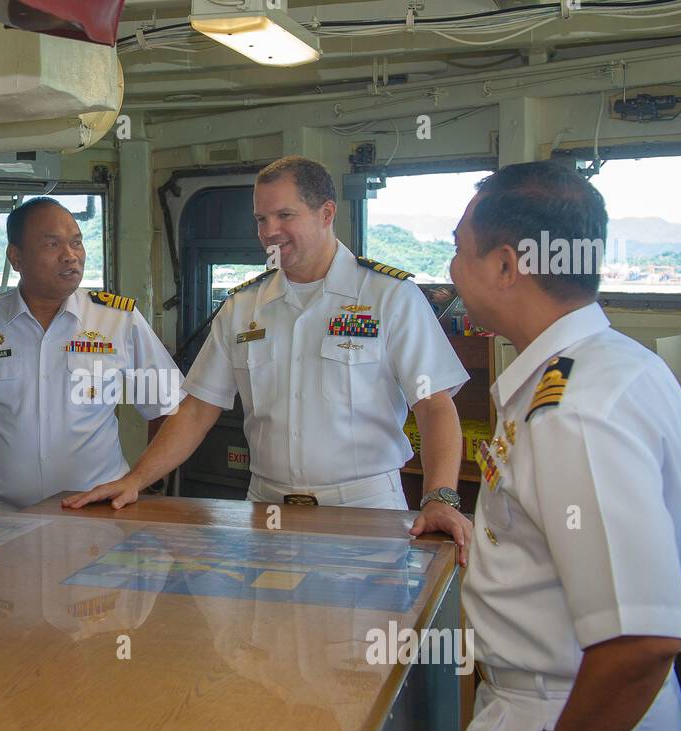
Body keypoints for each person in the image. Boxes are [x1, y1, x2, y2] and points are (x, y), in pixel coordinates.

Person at [66, 156, 473, 563]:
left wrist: (439, 497)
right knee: (266, 628)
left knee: (360, 627)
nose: (269, 232)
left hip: (363, 507)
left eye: (284, 215)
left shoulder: (389, 296)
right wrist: (135, 480)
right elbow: (197, 410)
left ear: (326, 213)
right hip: (266, 508)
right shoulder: (243, 306)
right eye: (261, 219)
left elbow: (434, 406)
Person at [448, 160, 681, 731]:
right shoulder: (612, 364)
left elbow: (642, 643)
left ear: (508, 266)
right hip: (565, 709)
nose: (450, 270)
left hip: (571, 727)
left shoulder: (574, 412)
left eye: (458, 251)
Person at [0, 197, 182, 510]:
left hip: (98, 513)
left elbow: (167, 403)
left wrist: (146, 484)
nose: (70, 256)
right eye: (52, 244)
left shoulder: (118, 319)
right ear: (16, 257)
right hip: (1, 517)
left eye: (76, 243)